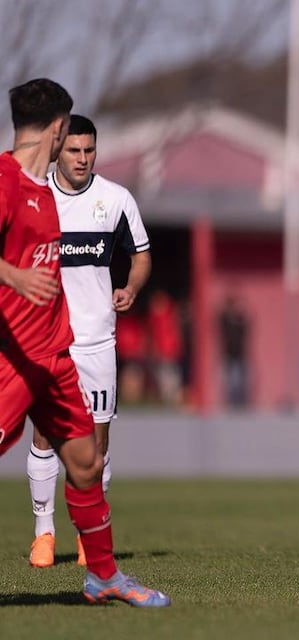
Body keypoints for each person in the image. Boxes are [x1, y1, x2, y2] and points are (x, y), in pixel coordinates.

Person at [1, 78, 168, 606]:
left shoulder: (49, 194)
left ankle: (102, 577)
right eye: (66, 135)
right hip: (18, 360)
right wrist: (13, 277)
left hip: (61, 356)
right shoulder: (5, 182)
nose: (71, 147)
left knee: (87, 462)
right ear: (55, 130)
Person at [27, 114, 153, 570]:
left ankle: (89, 536)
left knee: (95, 448)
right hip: (46, 340)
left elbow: (141, 254)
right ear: (58, 149)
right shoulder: (37, 199)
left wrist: (132, 287)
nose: (82, 158)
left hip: (98, 342)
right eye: (75, 150)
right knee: (44, 436)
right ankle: (43, 533)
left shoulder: (115, 200)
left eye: (90, 150)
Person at [219, 294, 250, 408]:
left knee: (240, 380)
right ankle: (231, 402)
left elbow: (246, 330)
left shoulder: (240, 319)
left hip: (240, 353)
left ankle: (240, 402)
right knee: (229, 380)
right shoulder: (224, 318)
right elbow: (221, 325)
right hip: (228, 353)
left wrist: (240, 315)